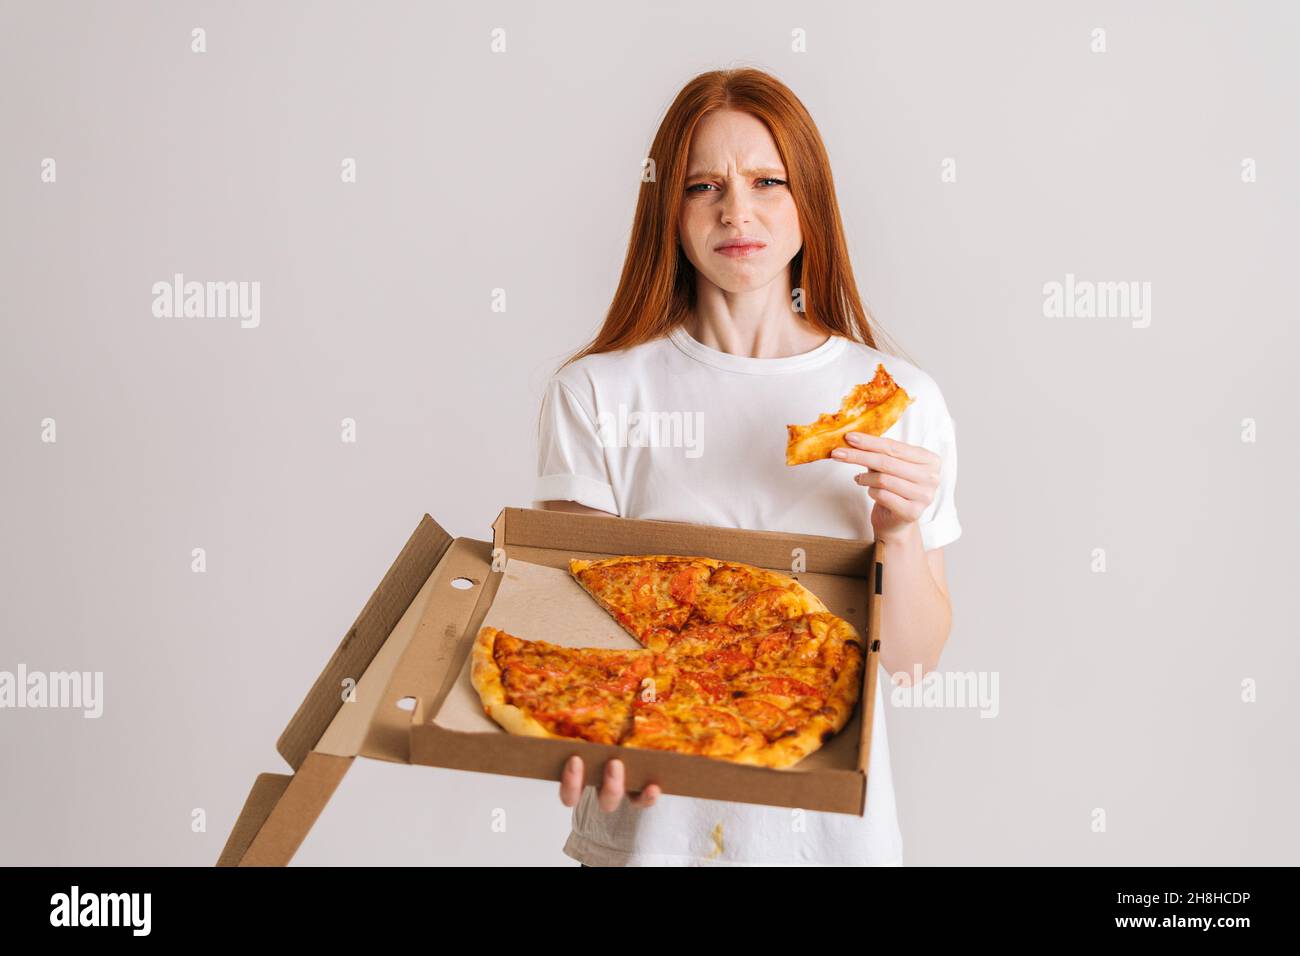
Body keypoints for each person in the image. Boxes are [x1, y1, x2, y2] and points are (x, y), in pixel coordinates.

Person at [534, 68, 960, 866]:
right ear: (671, 207)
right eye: (704, 186)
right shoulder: (596, 391)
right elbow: (569, 631)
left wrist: (898, 534)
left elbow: (911, 661)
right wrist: (579, 728)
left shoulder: (901, 399)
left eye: (768, 180)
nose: (738, 210)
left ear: (812, 200)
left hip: (834, 843)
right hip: (649, 830)